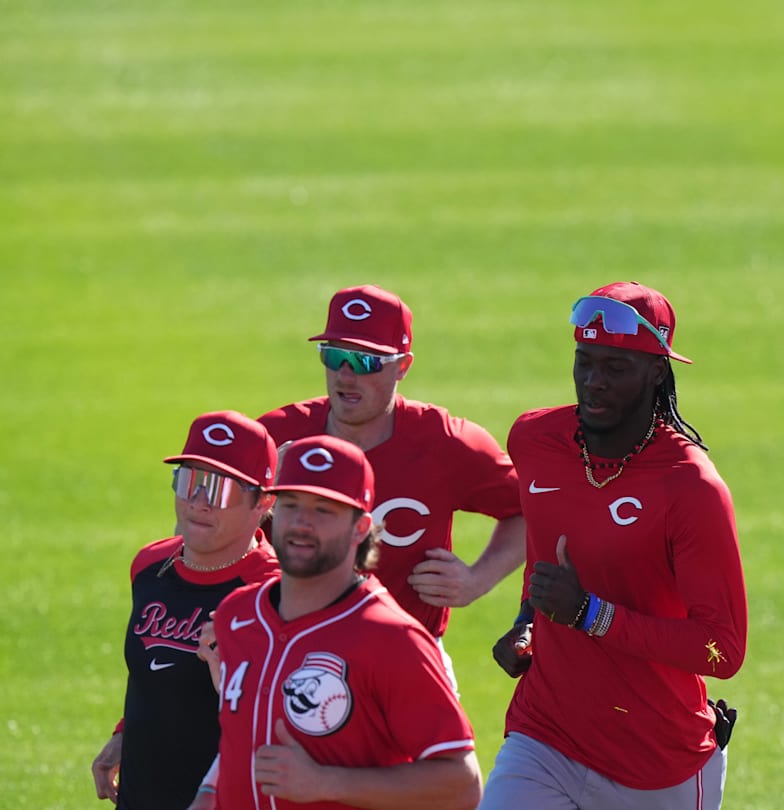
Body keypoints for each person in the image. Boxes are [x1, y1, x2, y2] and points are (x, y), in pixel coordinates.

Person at [482, 281, 747, 810]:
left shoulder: (691, 487)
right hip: (544, 736)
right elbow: (547, 556)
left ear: (656, 372)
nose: (593, 382)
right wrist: (527, 622)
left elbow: (723, 649)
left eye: (616, 367)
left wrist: (590, 614)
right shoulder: (535, 441)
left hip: (655, 763)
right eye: (584, 362)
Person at [197, 434, 482, 810]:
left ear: (361, 528)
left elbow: (462, 785)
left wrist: (325, 782)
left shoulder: (392, 639)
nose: (301, 523)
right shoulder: (238, 614)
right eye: (290, 504)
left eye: (324, 510)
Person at [260, 284, 525, 653]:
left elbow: (531, 510)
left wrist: (477, 579)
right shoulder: (276, 437)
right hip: (291, 649)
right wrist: (261, 498)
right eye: (335, 356)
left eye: (366, 361)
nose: (346, 375)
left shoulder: (445, 442)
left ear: (402, 366)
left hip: (407, 654)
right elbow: (204, 525)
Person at [91, 411, 280, 809]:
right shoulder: (149, 565)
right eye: (190, 481)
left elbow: (285, 720)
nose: (198, 502)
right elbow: (153, 676)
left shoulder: (275, 593)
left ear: (263, 501)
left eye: (219, 489)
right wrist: (123, 734)